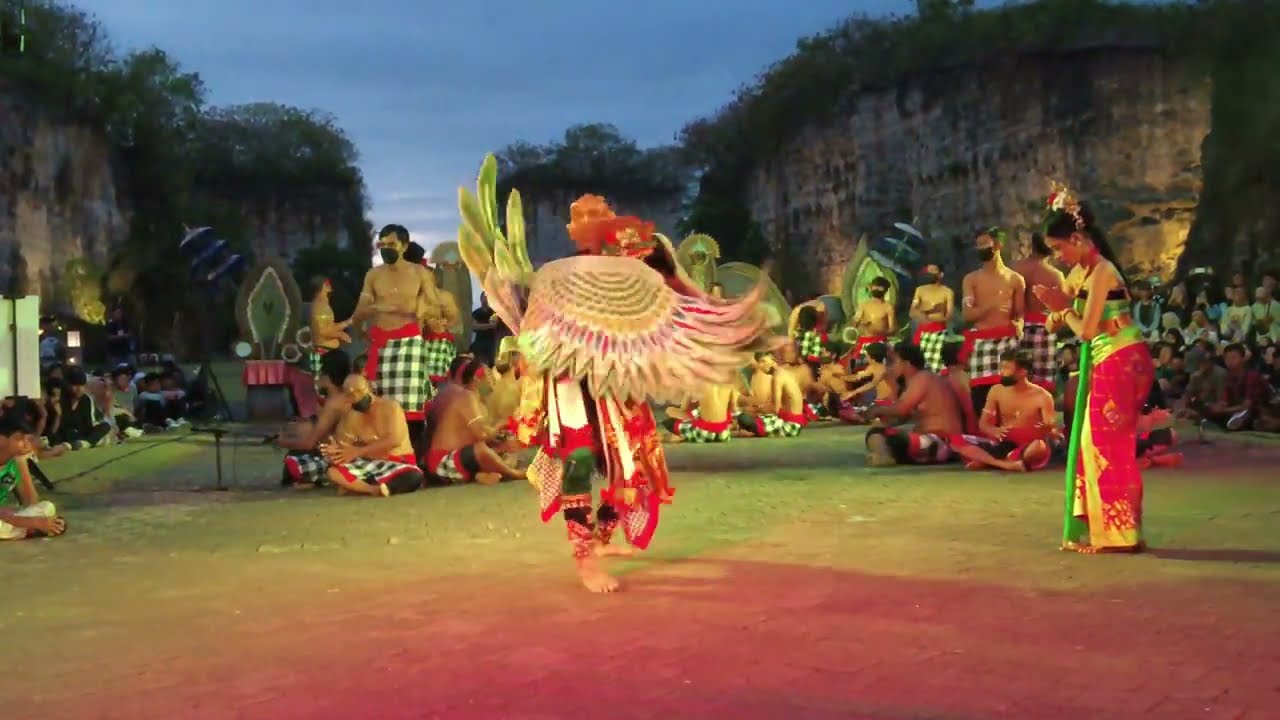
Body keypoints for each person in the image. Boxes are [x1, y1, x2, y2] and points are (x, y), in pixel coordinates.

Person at [459, 178, 771, 593]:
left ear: (612, 219)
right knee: (579, 459)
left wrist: (655, 257)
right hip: (569, 381)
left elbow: (672, 288)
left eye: (599, 213)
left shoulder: (635, 264)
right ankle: (583, 556)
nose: (591, 221)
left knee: (628, 463)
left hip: (616, 379)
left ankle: (602, 538)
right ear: (570, 229)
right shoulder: (555, 276)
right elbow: (533, 334)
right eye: (581, 216)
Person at [1034, 184, 1153, 554]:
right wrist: (1056, 311)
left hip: (1120, 359)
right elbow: (1062, 316)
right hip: (1108, 359)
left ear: (1076, 238)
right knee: (1094, 442)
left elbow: (1084, 330)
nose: (1059, 258)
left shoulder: (1102, 271)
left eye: (1059, 249)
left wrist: (1062, 310)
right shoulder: (1082, 273)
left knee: (1105, 444)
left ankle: (1119, 535)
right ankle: (1109, 531)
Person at [345, 224, 448, 431]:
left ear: (404, 246)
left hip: (408, 344)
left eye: (391, 244)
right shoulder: (373, 275)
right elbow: (360, 311)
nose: (385, 248)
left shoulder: (420, 273)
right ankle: (383, 444)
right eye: (381, 244)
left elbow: (436, 307)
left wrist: (418, 308)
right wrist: (362, 324)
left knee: (409, 406)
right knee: (376, 403)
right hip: (379, 343)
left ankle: (411, 447)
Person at [290, 374, 424, 496]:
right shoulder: (352, 414)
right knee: (331, 471)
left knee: (413, 476)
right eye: (351, 395)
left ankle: (360, 485)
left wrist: (358, 451)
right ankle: (372, 489)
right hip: (367, 463)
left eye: (359, 392)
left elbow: (394, 440)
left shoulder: (390, 407)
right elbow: (344, 445)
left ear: (369, 388)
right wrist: (334, 451)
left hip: (397, 462)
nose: (356, 397)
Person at [950, 350, 1061, 472]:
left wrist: (1048, 429)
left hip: (1029, 446)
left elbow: (1052, 428)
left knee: (1039, 447)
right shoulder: (996, 391)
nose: (1001, 372)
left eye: (1006, 368)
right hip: (1003, 444)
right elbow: (984, 424)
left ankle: (990, 460)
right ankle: (1005, 464)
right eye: (1001, 368)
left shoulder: (1043, 396)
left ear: (1022, 372)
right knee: (956, 440)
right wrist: (993, 430)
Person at [422, 357, 525, 484]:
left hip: (459, 456)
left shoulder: (475, 400)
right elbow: (483, 435)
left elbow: (483, 436)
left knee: (504, 446)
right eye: (488, 375)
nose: (492, 379)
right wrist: (502, 424)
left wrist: (503, 442)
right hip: (441, 462)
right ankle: (513, 474)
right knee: (481, 449)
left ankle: (483, 473)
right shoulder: (467, 397)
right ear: (477, 379)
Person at [960, 227, 1026, 418]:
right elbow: (967, 315)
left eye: (984, 244)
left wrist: (1019, 325)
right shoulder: (971, 279)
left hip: (1007, 342)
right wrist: (992, 304)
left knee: (1010, 395)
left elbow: (1019, 314)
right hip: (982, 344)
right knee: (981, 399)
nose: (980, 249)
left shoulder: (1015, 279)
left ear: (997, 245)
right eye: (978, 245)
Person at [863, 343, 965, 466]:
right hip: (940, 443)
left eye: (894, 362)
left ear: (907, 363)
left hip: (940, 441)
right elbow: (903, 416)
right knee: (884, 433)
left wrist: (876, 410)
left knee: (877, 434)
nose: (891, 367)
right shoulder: (924, 379)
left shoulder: (922, 377)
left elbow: (901, 409)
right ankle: (889, 455)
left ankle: (884, 457)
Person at [280, 350, 352, 487]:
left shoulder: (334, 403)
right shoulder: (345, 396)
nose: (315, 377)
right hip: (341, 451)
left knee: (293, 460)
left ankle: (317, 479)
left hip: (337, 455)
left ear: (327, 376)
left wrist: (282, 441)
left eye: (319, 373)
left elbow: (310, 443)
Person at [1013, 233, 1065, 392]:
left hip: (1017, 329)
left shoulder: (1015, 270)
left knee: (1017, 383)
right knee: (1042, 387)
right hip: (1044, 331)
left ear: (1032, 246)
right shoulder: (1055, 276)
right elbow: (1061, 311)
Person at [0, 415, 66, 540]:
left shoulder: (16, 462)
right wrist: (33, 522)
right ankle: (28, 531)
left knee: (47, 507)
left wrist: (21, 463)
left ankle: (19, 530)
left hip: (5, 518)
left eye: (28, 439)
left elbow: (31, 503)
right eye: (19, 439)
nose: (26, 444)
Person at [738, 351, 809, 437]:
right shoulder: (781, 373)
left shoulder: (778, 377)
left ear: (772, 361)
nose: (761, 365)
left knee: (744, 417)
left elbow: (776, 409)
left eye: (764, 361)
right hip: (790, 421)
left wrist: (757, 410)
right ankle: (752, 432)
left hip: (790, 425)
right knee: (747, 417)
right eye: (760, 362)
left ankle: (753, 432)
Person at [308, 277, 351, 396]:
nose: (329, 285)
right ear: (320, 288)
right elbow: (322, 331)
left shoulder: (324, 304)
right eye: (326, 284)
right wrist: (340, 334)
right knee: (326, 388)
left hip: (329, 352)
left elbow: (329, 326)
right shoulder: (319, 306)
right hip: (324, 352)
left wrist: (346, 323)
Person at [664, 379, 741, 443]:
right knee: (698, 413)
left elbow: (683, 409)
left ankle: (682, 435)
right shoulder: (730, 384)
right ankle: (730, 432)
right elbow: (734, 410)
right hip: (724, 435)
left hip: (704, 434)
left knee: (669, 419)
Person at [909, 264, 954, 372]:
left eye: (933, 270)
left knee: (937, 367)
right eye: (928, 270)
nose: (929, 273)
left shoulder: (947, 292)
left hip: (939, 332)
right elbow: (912, 312)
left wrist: (927, 315)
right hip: (922, 331)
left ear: (940, 274)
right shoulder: (920, 290)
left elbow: (948, 316)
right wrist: (931, 310)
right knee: (919, 367)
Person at [844, 277, 896, 364]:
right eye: (875, 287)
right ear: (871, 287)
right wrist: (858, 322)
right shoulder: (863, 305)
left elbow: (893, 330)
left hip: (880, 343)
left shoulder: (888, 307)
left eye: (879, 287)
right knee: (858, 367)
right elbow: (854, 324)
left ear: (885, 290)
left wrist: (878, 331)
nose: (876, 289)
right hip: (864, 342)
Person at [60, 369, 113, 449]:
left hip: (83, 432)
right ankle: (90, 442)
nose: (79, 389)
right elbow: (63, 423)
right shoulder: (62, 399)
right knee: (69, 432)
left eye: (81, 385)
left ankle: (85, 442)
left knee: (106, 426)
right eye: (75, 385)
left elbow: (90, 423)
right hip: (68, 433)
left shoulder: (87, 399)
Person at [471, 293, 501, 366]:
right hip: (479, 341)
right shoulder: (476, 313)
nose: (485, 300)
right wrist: (489, 325)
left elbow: (494, 325)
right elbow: (474, 326)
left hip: (492, 342)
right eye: (484, 297)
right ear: (481, 299)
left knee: (491, 363)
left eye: (487, 297)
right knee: (477, 362)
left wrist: (481, 326)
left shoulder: (494, 312)